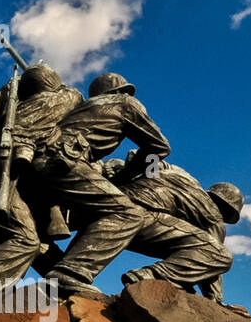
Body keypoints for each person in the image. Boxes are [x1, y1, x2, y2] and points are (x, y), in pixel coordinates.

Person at [0, 63, 84, 320]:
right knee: (25, 240)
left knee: (28, 240)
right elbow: (73, 95)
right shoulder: (55, 100)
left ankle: (66, 279)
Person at [32, 72, 172, 296]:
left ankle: (55, 272)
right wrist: (130, 176)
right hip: (65, 162)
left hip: (37, 165)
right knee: (128, 214)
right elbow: (159, 147)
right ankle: (70, 274)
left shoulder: (82, 108)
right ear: (117, 92)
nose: (127, 95)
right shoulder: (125, 103)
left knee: (40, 233)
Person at [105, 156, 243, 302]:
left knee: (187, 247)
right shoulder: (213, 215)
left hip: (114, 205)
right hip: (139, 220)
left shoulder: (180, 175)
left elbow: (140, 155)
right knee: (221, 255)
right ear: (227, 210)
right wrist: (215, 299)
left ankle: (170, 280)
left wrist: (127, 174)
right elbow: (214, 256)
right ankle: (152, 277)